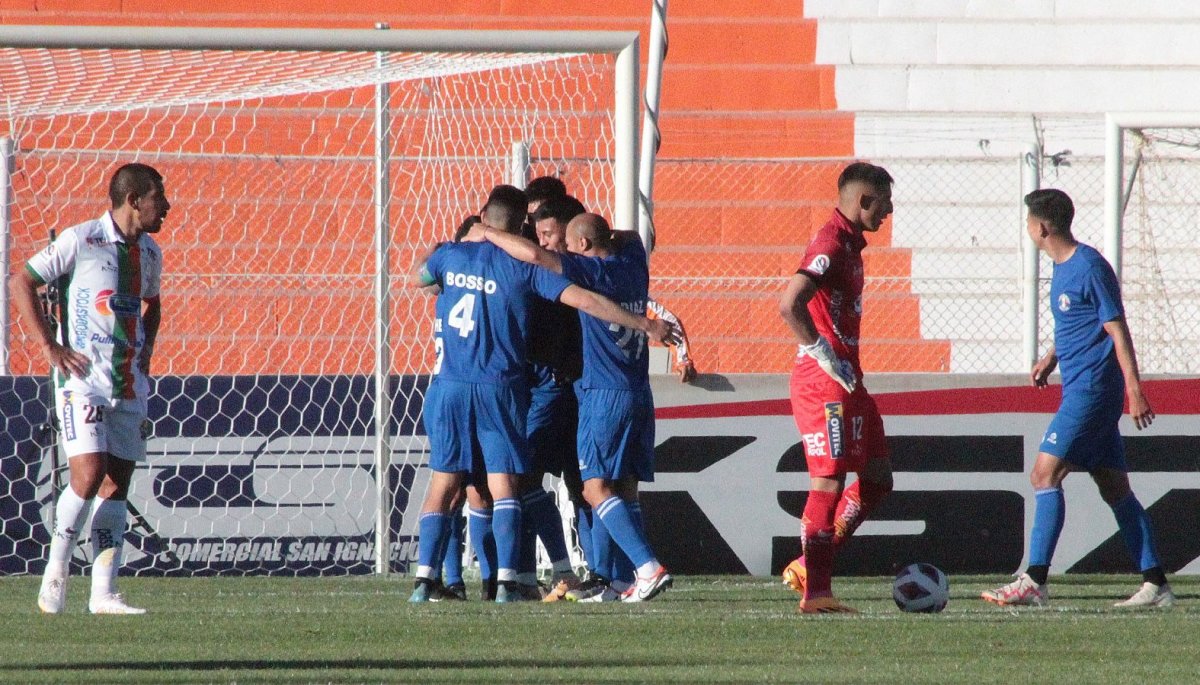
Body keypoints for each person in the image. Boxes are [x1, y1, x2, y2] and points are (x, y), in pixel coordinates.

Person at [409, 185, 671, 603]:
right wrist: (644, 323)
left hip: (459, 386)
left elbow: (421, 278)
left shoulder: (451, 257)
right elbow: (600, 278)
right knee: (515, 484)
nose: (548, 243)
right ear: (521, 225)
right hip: (527, 388)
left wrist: (464, 241)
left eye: (557, 237)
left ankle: (434, 581)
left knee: (458, 483)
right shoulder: (612, 262)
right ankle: (519, 582)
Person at [981, 189, 1173, 609]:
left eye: (1029, 222)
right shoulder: (1062, 269)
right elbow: (1077, 323)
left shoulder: (1089, 266)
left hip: (1092, 394)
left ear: (1042, 227)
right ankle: (1156, 582)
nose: (1027, 228)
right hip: (1081, 387)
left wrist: (1135, 390)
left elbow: (1116, 329)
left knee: (1043, 474)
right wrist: (1051, 357)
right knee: (1115, 489)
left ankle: (1034, 579)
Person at [478, 212, 675, 603]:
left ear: (583, 247)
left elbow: (535, 257)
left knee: (594, 487)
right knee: (625, 487)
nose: (562, 249)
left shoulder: (591, 273)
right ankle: (620, 580)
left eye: (567, 242)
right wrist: (599, 232)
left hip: (604, 393)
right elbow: (634, 234)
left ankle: (648, 568)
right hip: (639, 391)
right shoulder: (634, 259)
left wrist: (486, 232)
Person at [12, 162, 169, 615]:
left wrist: (147, 354)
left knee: (117, 483)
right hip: (83, 379)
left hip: (127, 382)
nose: (168, 205)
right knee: (87, 472)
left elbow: (152, 306)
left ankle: (104, 593)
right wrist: (49, 347)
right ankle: (56, 572)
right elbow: (21, 281)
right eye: (160, 195)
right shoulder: (81, 240)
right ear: (134, 200)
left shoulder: (152, 253)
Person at [777, 162, 895, 614]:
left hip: (849, 380)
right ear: (864, 200)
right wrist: (820, 351)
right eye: (884, 202)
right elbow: (789, 304)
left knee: (878, 478)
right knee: (828, 481)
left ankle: (810, 566)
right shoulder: (829, 242)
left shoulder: (849, 244)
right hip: (824, 380)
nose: (889, 211)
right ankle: (818, 593)